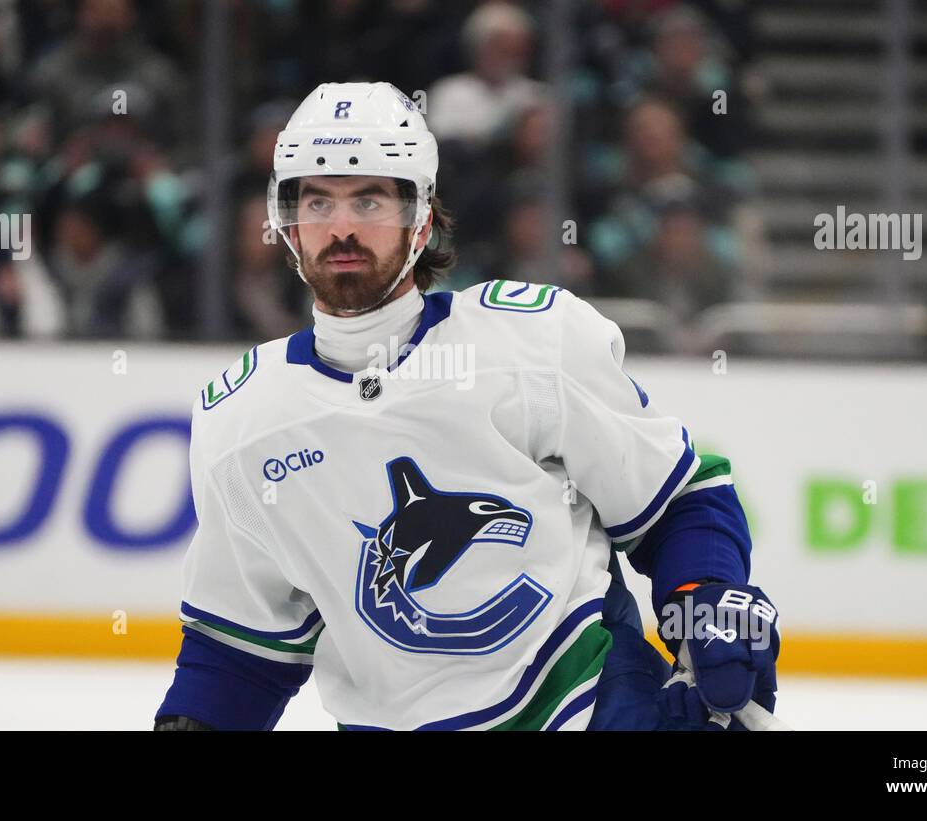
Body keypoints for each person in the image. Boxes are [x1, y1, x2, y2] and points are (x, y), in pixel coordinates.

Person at [155, 82, 779, 731]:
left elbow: (677, 498)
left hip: (590, 708)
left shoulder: (531, 343)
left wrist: (702, 597)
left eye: (369, 198)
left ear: (421, 217)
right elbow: (238, 651)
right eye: (317, 200)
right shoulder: (245, 421)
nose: (341, 226)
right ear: (286, 224)